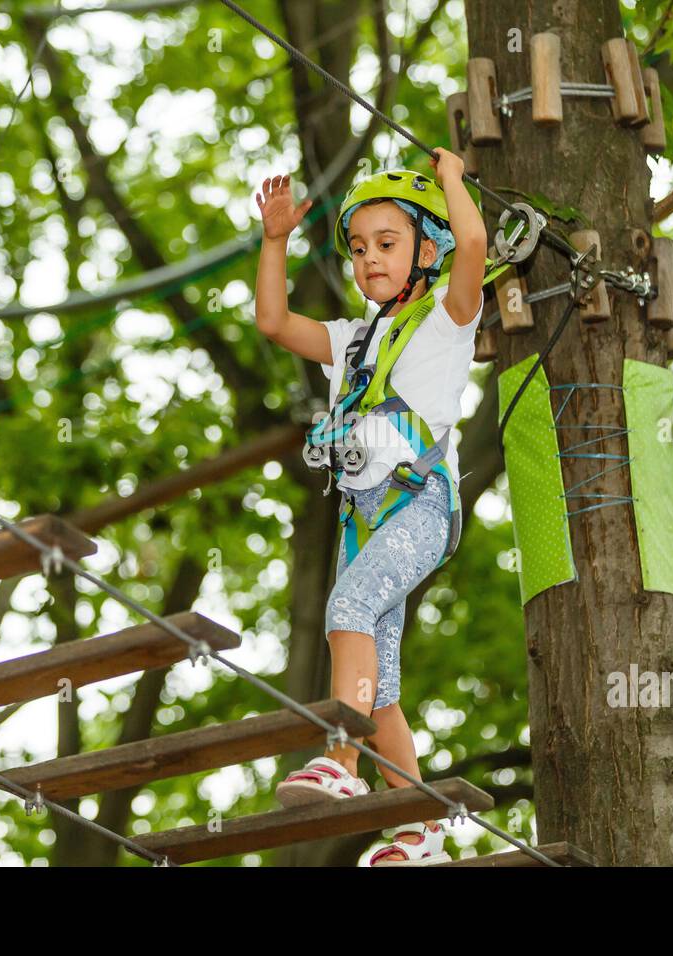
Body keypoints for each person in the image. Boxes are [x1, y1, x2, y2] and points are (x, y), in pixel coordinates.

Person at [254, 148, 487, 866]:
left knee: (347, 613)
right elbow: (272, 322)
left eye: (387, 244)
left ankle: (343, 765)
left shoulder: (447, 317)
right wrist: (274, 241)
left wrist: (453, 182)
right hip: (363, 515)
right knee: (378, 684)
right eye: (358, 249)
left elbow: (475, 244)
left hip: (418, 502)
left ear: (427, 248)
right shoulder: (351, 342)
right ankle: (420, 832)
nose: (368, 260)